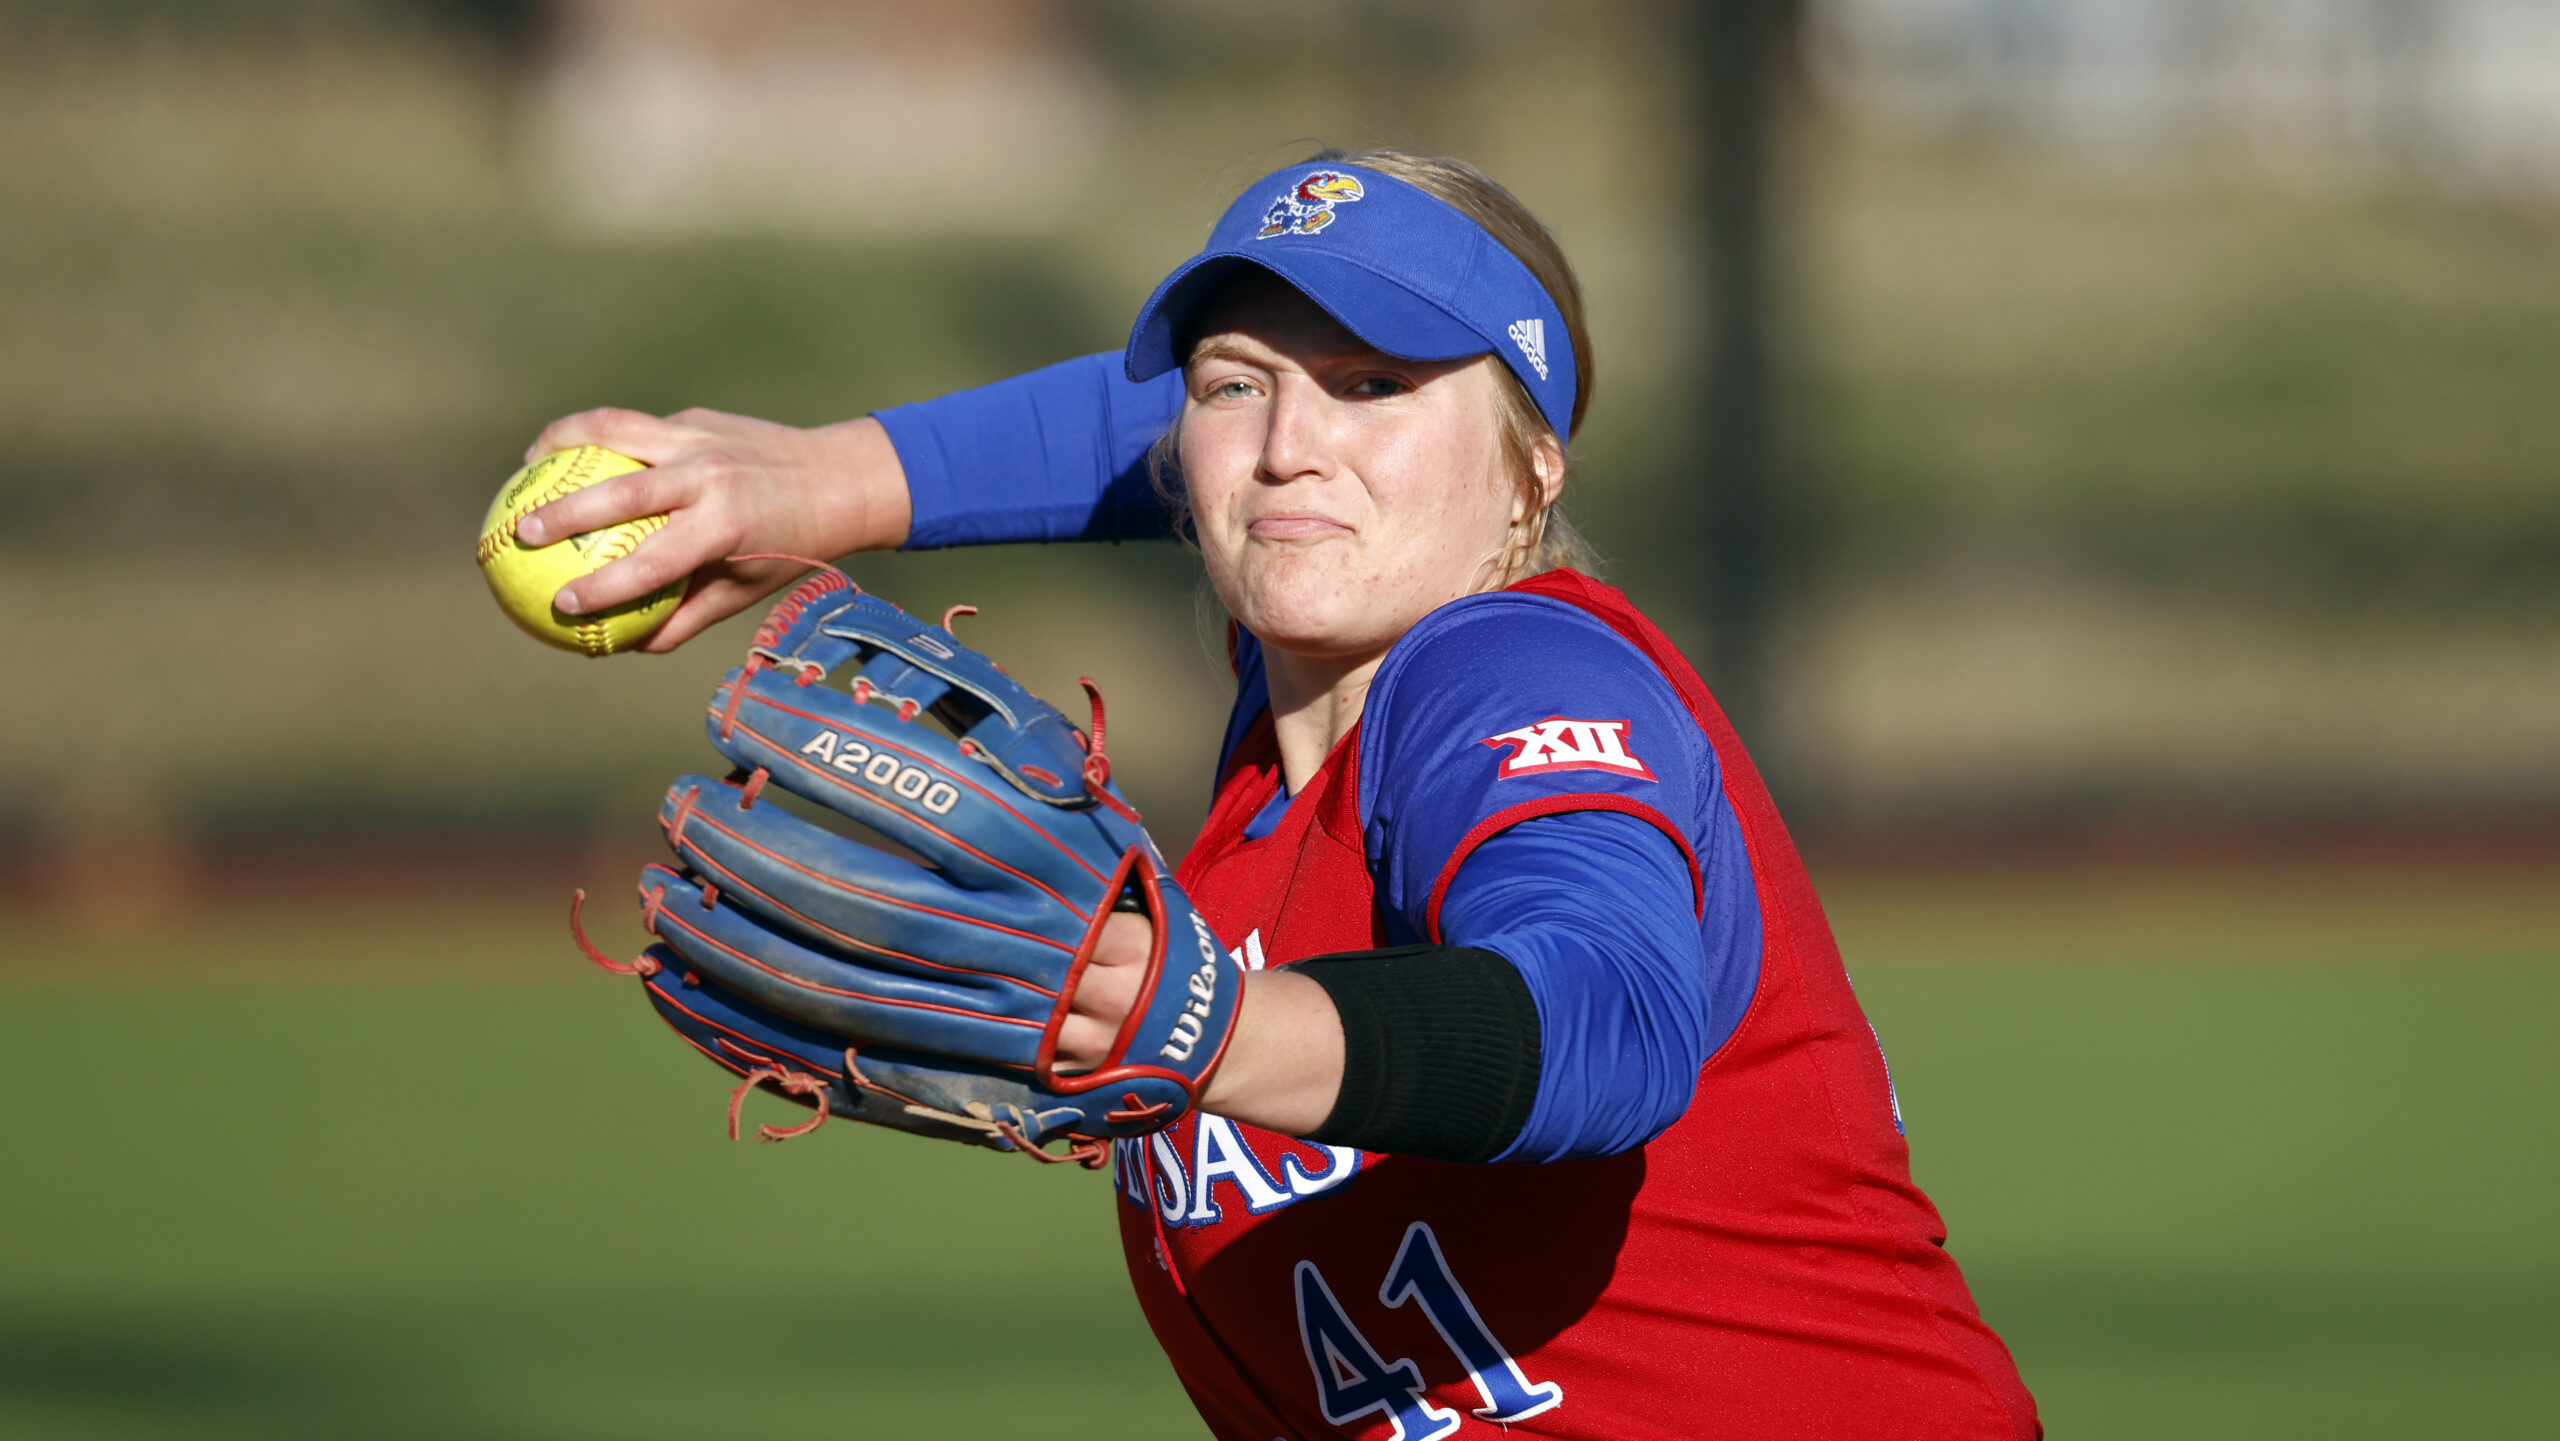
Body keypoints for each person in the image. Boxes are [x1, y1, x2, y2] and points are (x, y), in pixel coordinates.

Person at [520, 150, 2041, 1441]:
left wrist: (1211, 1030)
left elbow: (1610, 1022)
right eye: (1232, 387)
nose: (1290, 445)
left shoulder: (1511, 672)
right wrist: (808, 481)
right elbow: (1236, 436)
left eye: (1376, 384)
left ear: (1534, 466)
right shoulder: (1265, 784)